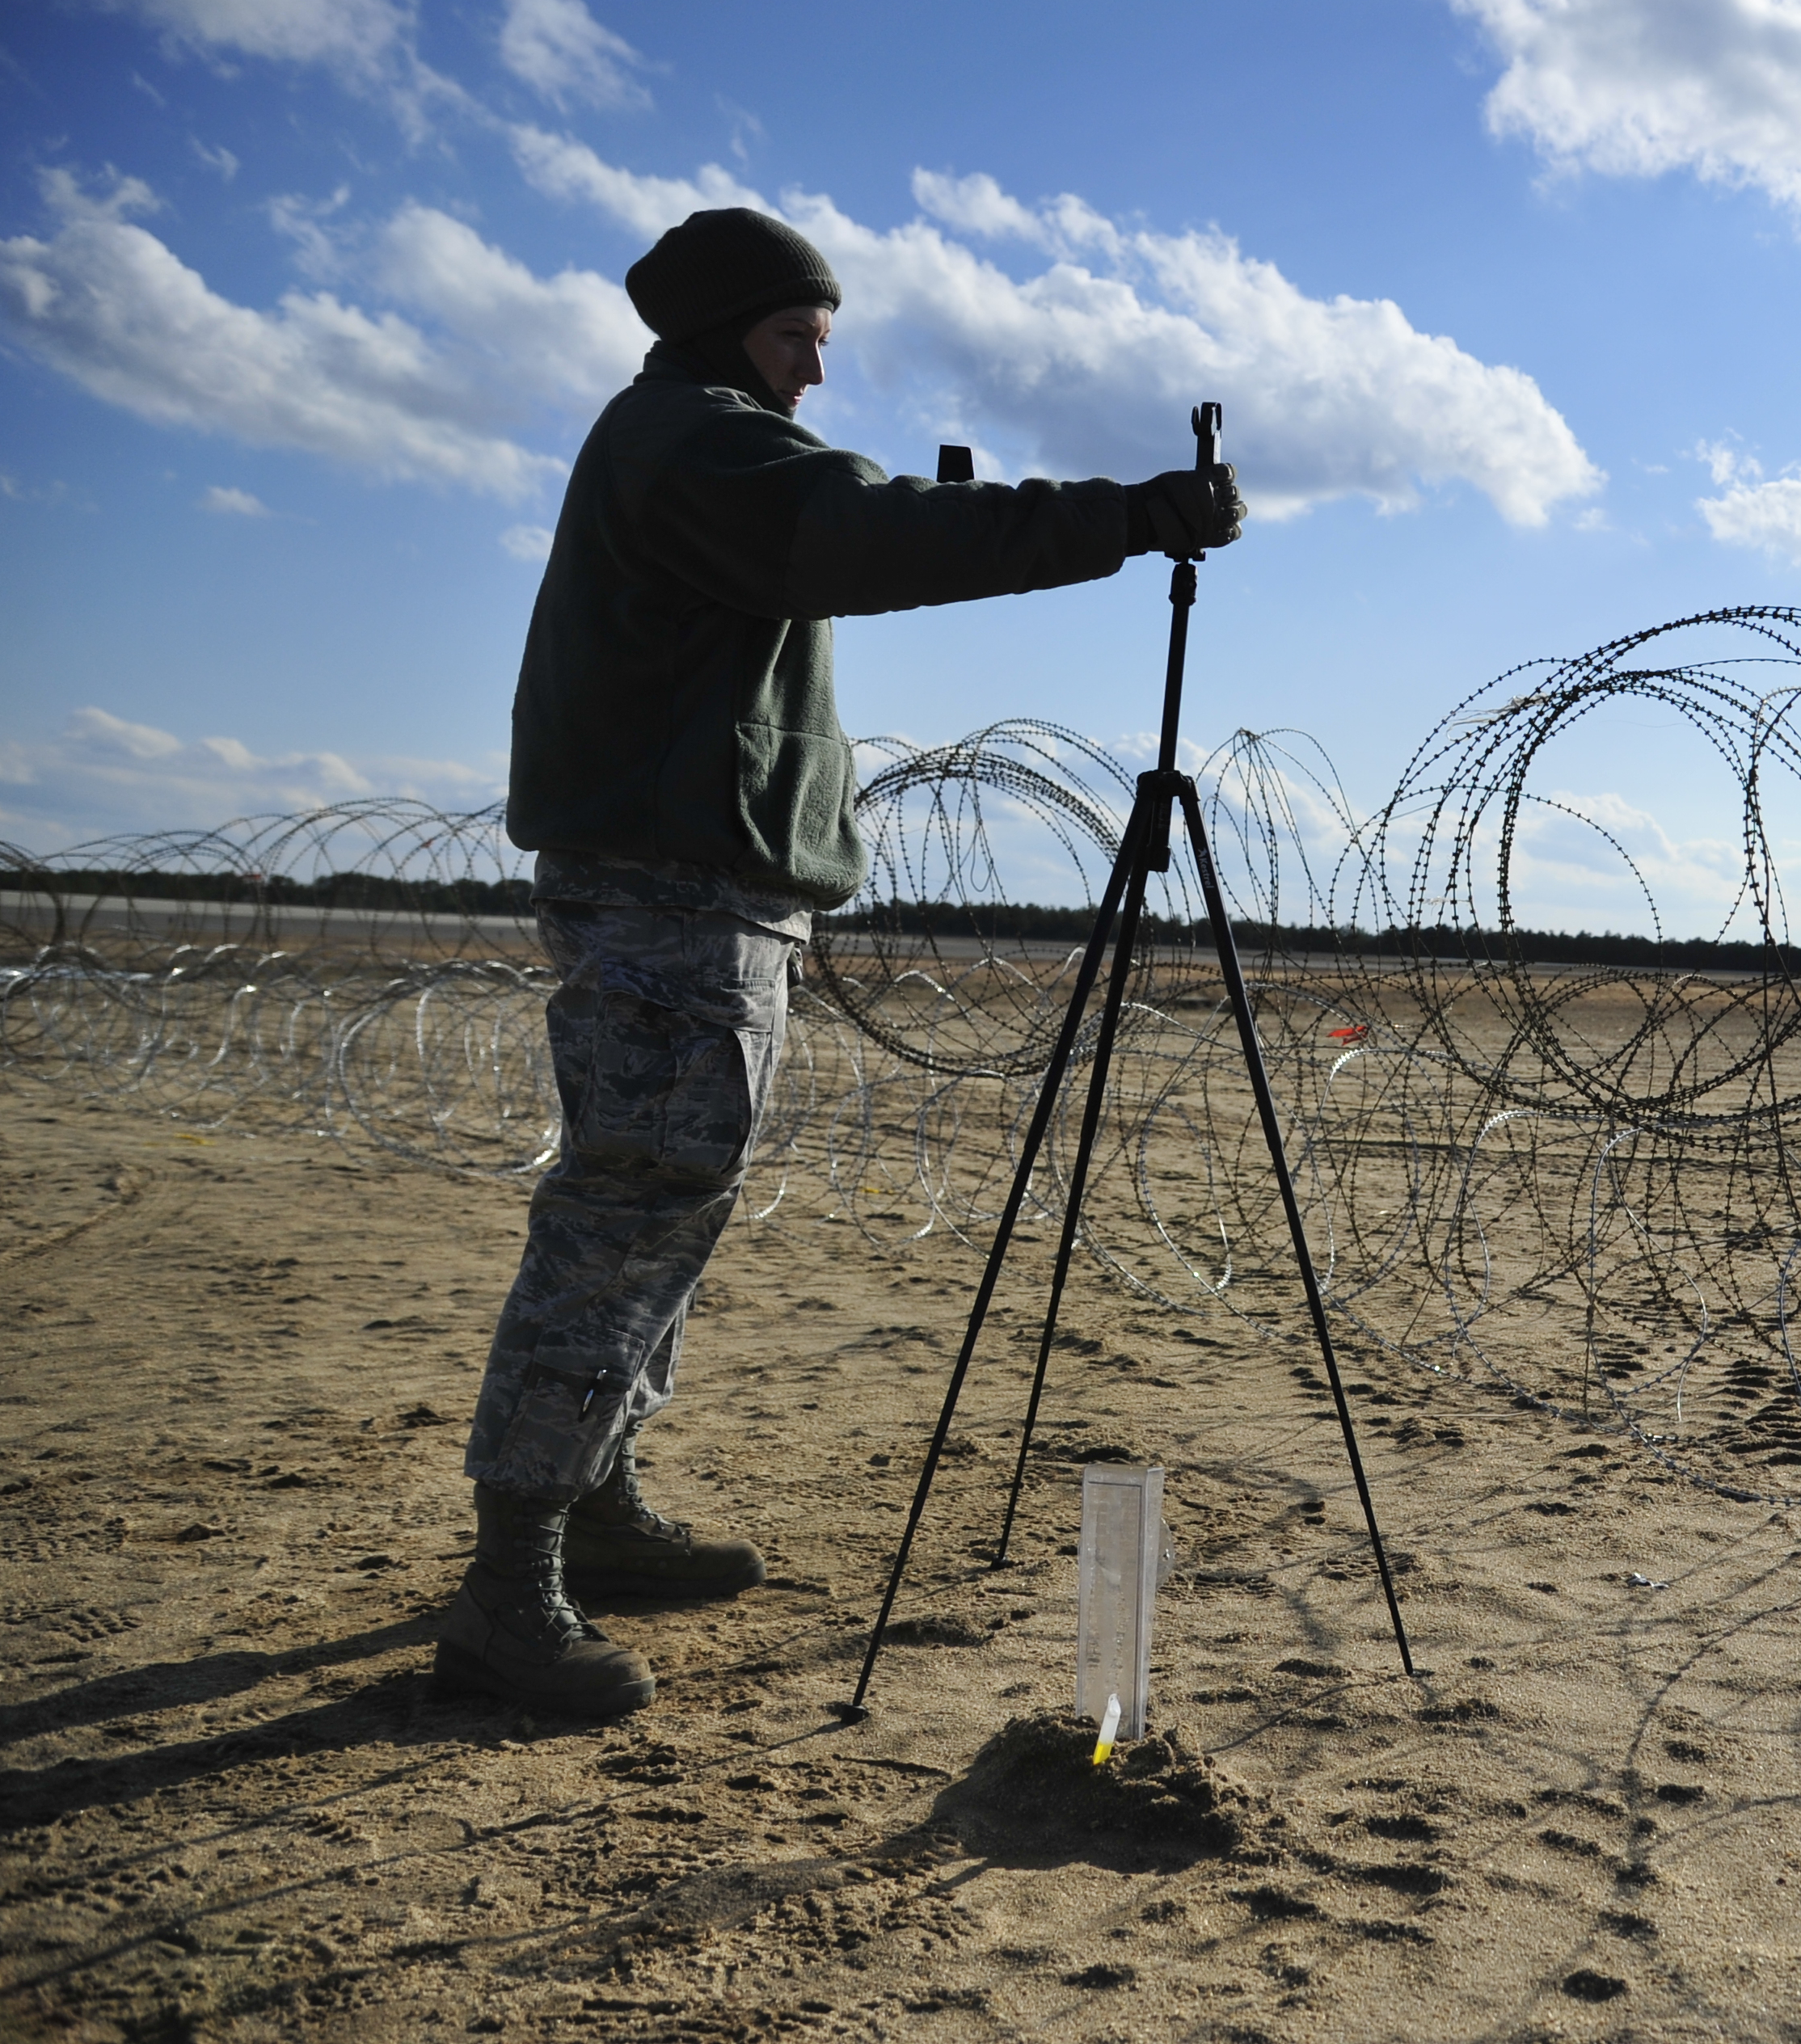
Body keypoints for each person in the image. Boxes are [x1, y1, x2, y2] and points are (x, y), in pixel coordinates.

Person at [437, 206, 1242, 1716]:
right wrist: (1127, 516)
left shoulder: (695, 441)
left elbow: (852, 537)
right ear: (731, 326)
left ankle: (592, 1510)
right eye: (799, 334)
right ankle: (510, 1586)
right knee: (625, 1213)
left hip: (700, 891)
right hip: (671, 893)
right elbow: (868, 538)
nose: (817, 368)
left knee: (663, 1212)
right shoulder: (694, 441)